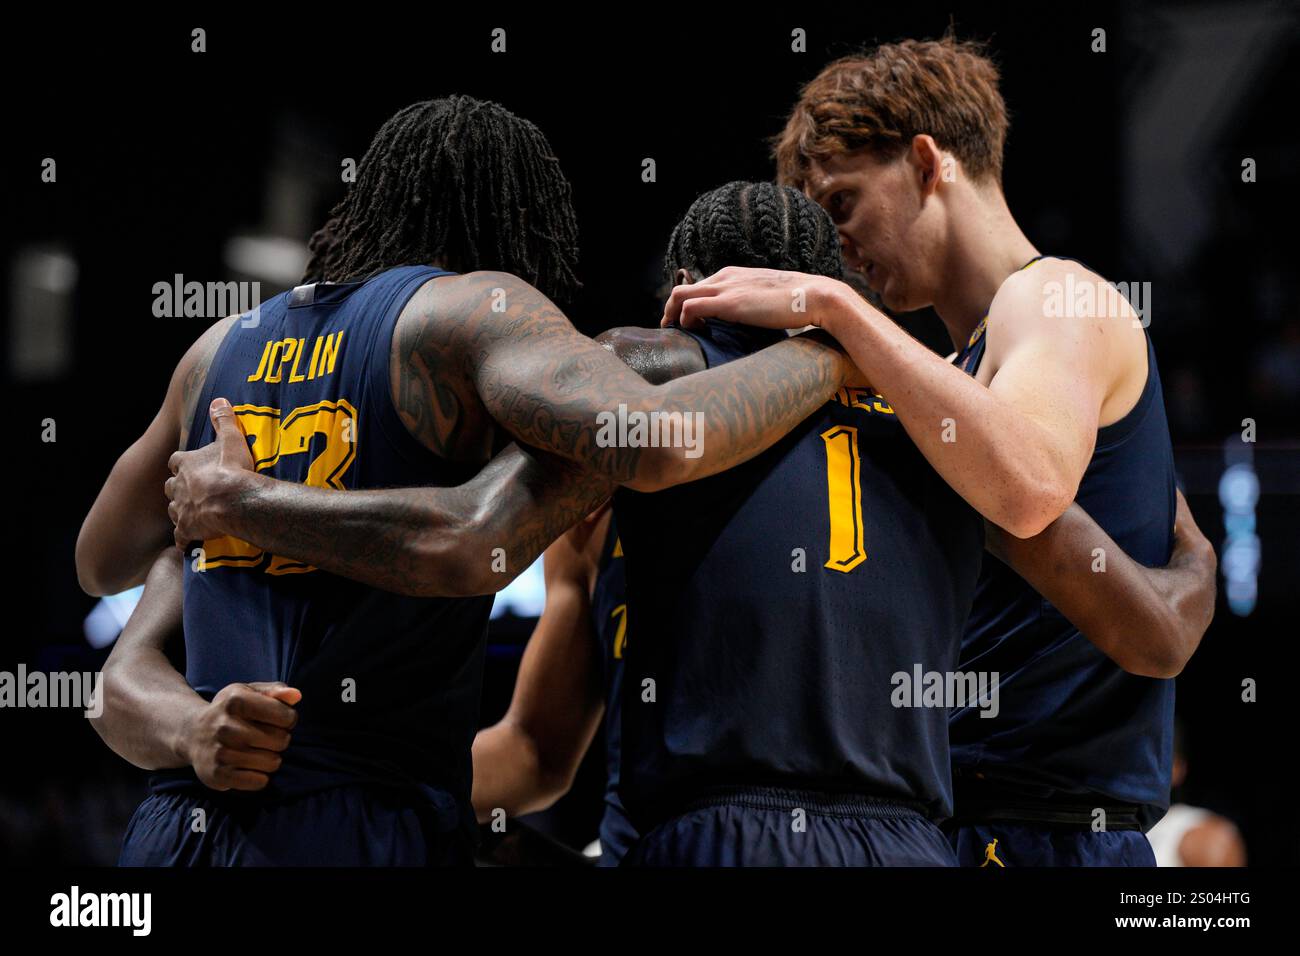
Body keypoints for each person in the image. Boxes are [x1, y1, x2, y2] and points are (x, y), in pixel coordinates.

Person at [76, 97, 859, 866]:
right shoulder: (471, 310)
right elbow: (652, 437)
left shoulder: (217, 349)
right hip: (366, 820)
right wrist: (830, 345)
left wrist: (233, 513)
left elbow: (100, 562)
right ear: (517, 228)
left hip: (178, 826)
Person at [659, 37, 1217, 864]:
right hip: (954, 816)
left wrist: (835, 311)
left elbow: (1029, 487)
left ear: (927, 162)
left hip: (1050, 828)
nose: (839, 248)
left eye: (842, 204)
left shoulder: (1053, 295)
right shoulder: (948, 371)